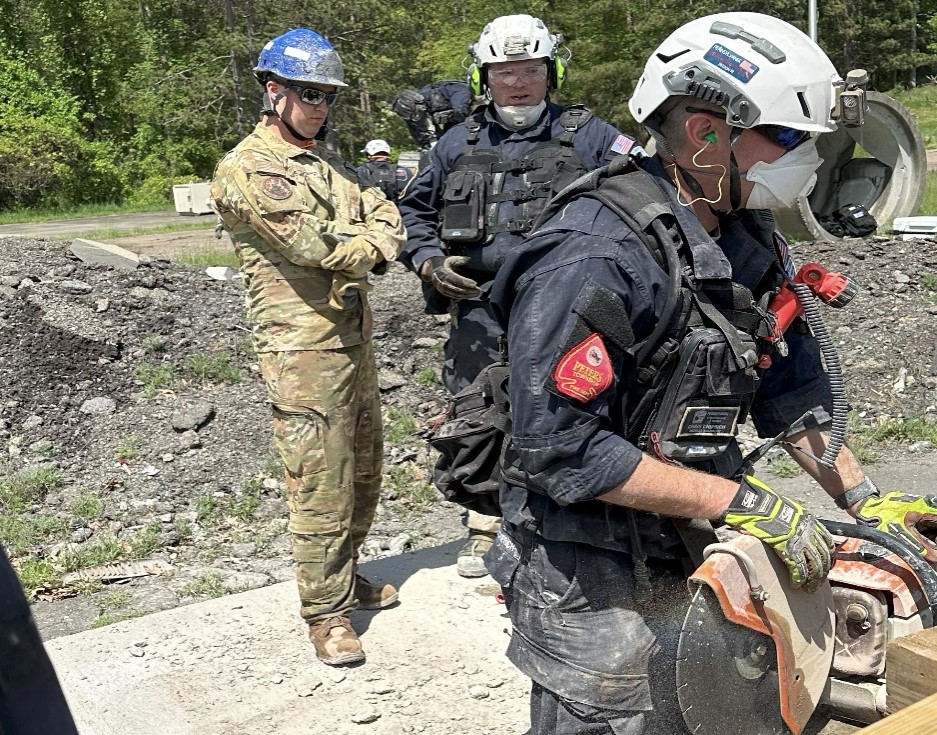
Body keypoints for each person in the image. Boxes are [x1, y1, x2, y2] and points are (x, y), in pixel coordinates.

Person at [484, 12, 937, 734]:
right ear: (703, 133)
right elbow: (557, 447)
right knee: (615, 713)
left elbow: (789, 393)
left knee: (714, 700)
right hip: (585, 547)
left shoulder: (741, 234)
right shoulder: (591, 255)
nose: (812, 160)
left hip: (690, 517)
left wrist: (863, 498)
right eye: (792, 139)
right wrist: (739, 502)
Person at [398, 13, 628, 579]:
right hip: (479, 307)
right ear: (484, 79)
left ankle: (574, 518)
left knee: (571, 404)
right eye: (504, 73)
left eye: (530, 69)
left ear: (552, 72)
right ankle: (484, 525)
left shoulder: (593, 135)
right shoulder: (456, 143)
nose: (518, 83)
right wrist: (427, 261)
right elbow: (413, 211)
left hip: (567, 307)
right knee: (478, 410)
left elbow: (638, 196)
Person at [210, 28, 406, 667]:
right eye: (308, 92)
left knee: (365, 474)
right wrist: (368, 243)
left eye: (328, 94)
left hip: (352, 341)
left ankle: (344, 584)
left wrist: (369, 236)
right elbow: (311, 246)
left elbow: (386, 212)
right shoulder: (247, 166)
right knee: (320, 483)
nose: (320, 105)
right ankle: (325, 616)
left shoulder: (328, 164)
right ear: (275, 92)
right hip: (302, 352)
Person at [392, 80, 474, 151]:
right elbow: (423, 138)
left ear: (419, 103)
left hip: (467, 109)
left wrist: (452, 114)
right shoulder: (411, 116)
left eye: (417, 112)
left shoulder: (445, 90)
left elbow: (461, 107)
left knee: (460, 114)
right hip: (452, 122)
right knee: (447, 142)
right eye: (413, 116)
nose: (417, 117)